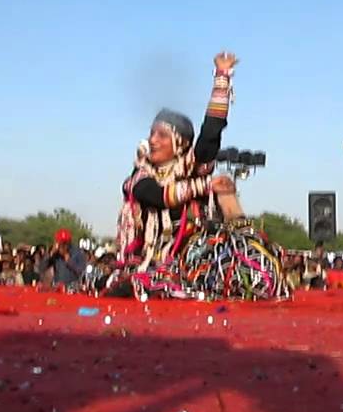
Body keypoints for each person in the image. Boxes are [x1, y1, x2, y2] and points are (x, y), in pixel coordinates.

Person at [114, 51, 288, 301]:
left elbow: (210, 134)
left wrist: (222, 77)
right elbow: (160, 197)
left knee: (250, 265)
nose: (152, 140)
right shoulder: (139, 176)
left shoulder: (192, 168)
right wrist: (206, 184)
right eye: (151, 134)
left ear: (181, 143)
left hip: (197, 260)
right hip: (150, 266)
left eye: (161, 135)